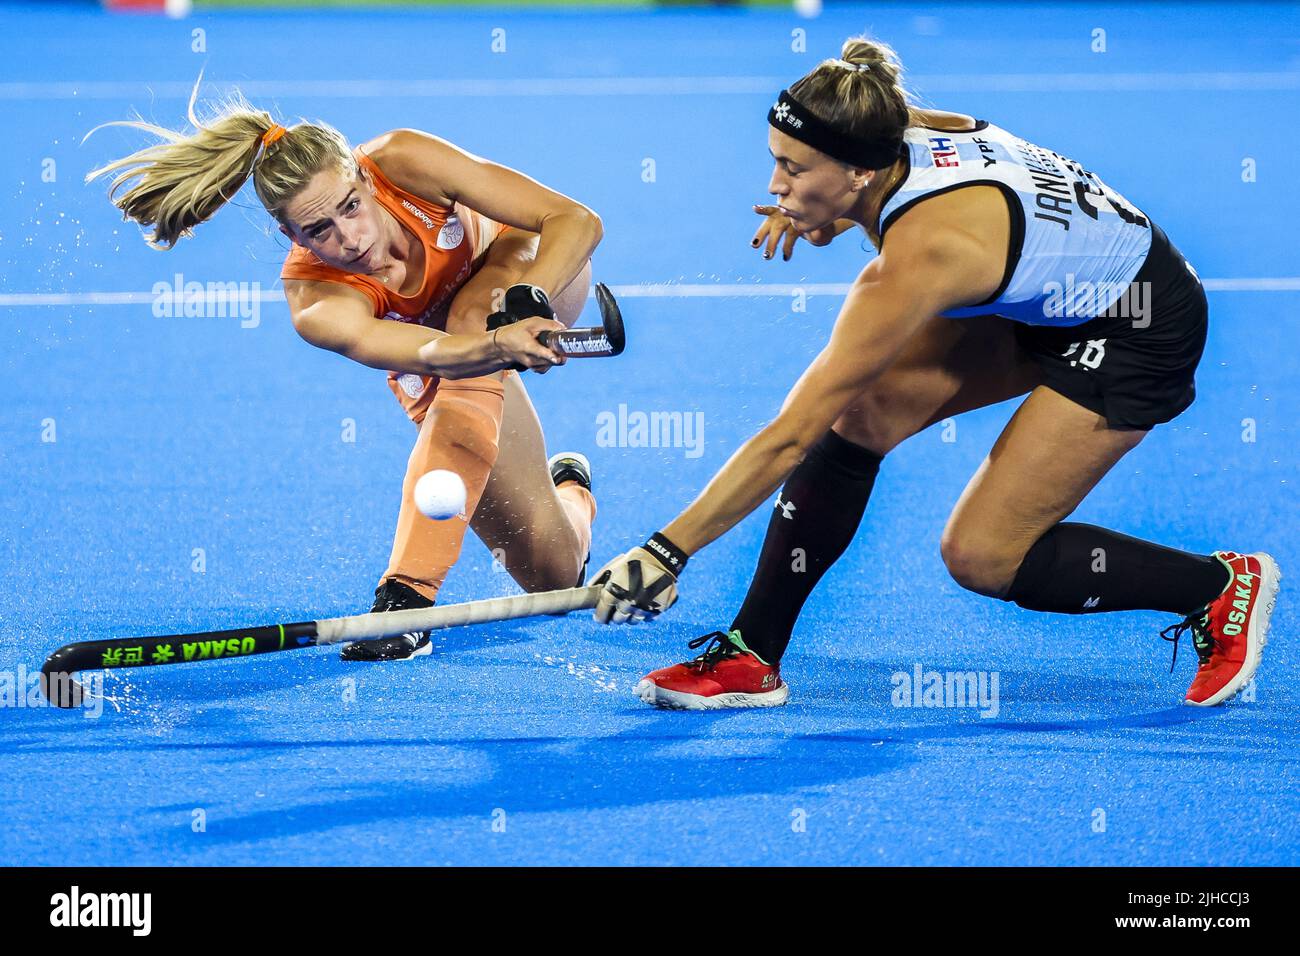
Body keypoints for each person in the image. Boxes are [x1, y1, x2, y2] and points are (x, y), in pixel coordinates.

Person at [590, 37, 1280, 710]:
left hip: (1139, 325)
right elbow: (882, 198)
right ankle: (752, 653)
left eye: (796, 170)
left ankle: (1216, 586)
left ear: (858, 172)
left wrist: (667, 550)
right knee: (862, 414)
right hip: (1050, 291)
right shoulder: (891, 126)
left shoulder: (919, 258)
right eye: (776, 161)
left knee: (982, 556)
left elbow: (786, 438)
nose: (776, 185)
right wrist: (830, 210)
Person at [88, 83, 600, 661]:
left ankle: (405, 597)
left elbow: (575, 220)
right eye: (319, 230)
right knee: (556, 582)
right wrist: (491, 348)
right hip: (445, 357)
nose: (350, 239)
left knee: (472, 315)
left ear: (363, 176)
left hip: (533, 271)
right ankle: (572, 488)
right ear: (292, 236)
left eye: (351, 207)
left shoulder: (405, 160)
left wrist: (531, 301)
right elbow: (433, 356)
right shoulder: (315, 302)